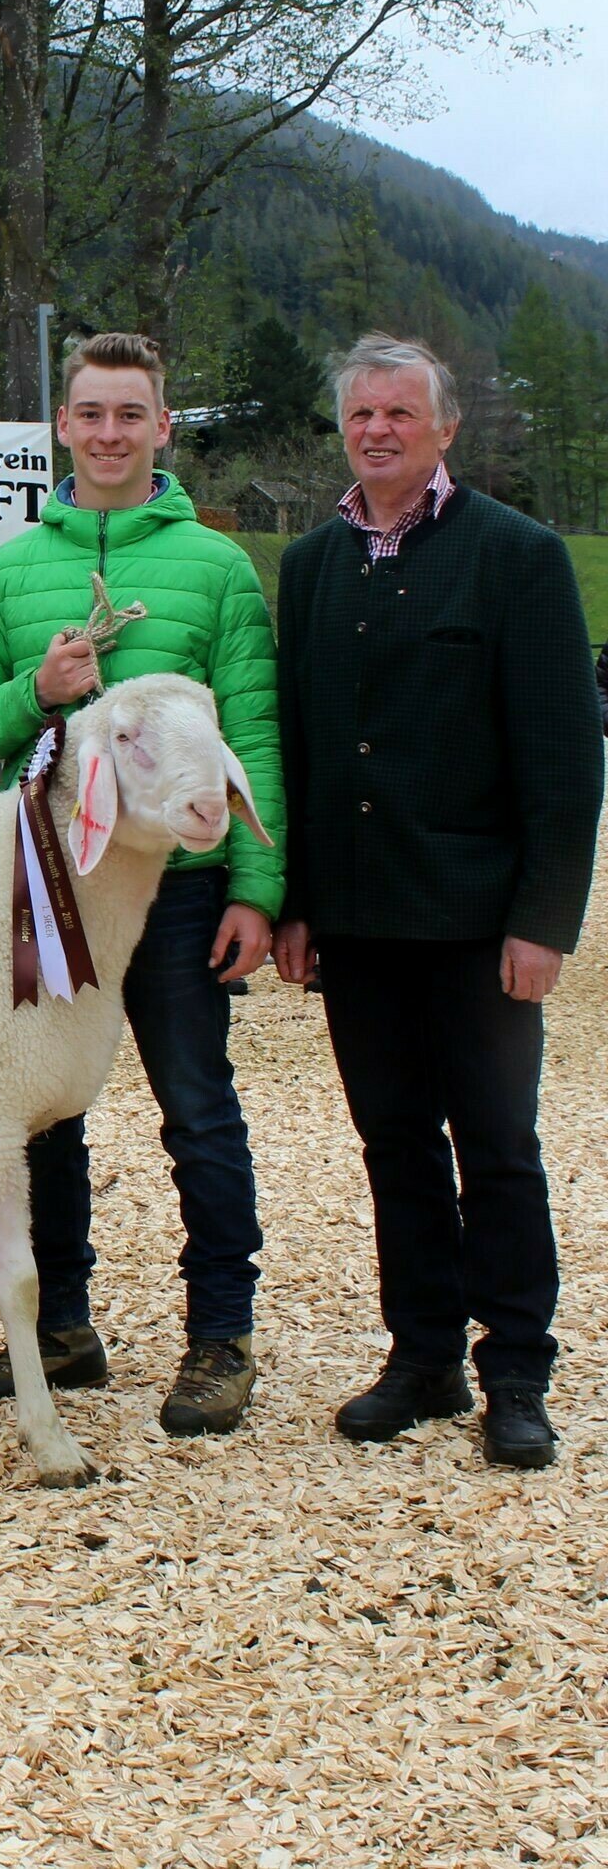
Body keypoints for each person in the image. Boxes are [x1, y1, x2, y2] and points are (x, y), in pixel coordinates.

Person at [0, 330, 285, 1438]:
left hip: (172, 891)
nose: (107, 433)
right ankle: (58, 1329)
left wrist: (254, 887)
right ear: (60, 427)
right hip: (44, 882)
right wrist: (36, 690)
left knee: (195, 1108)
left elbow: (255, 734)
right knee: (42, 1117)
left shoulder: (217, 567)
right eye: (88, 413)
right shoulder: (10, 565)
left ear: (161, 428)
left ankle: (217, 1337)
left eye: (129, 414)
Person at [273, 332, 603, 1470]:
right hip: (357, 924)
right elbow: (307, 752)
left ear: (442, 427)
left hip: (475, 921)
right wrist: (296, 904)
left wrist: (542, 921)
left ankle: (514, 1368)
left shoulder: (514, 557)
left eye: (398, 415)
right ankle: (420, 1359)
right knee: (392, 1144)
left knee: (497, 1146)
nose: (376, 431)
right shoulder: (313, 566)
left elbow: (565, 758)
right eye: (359, 415)